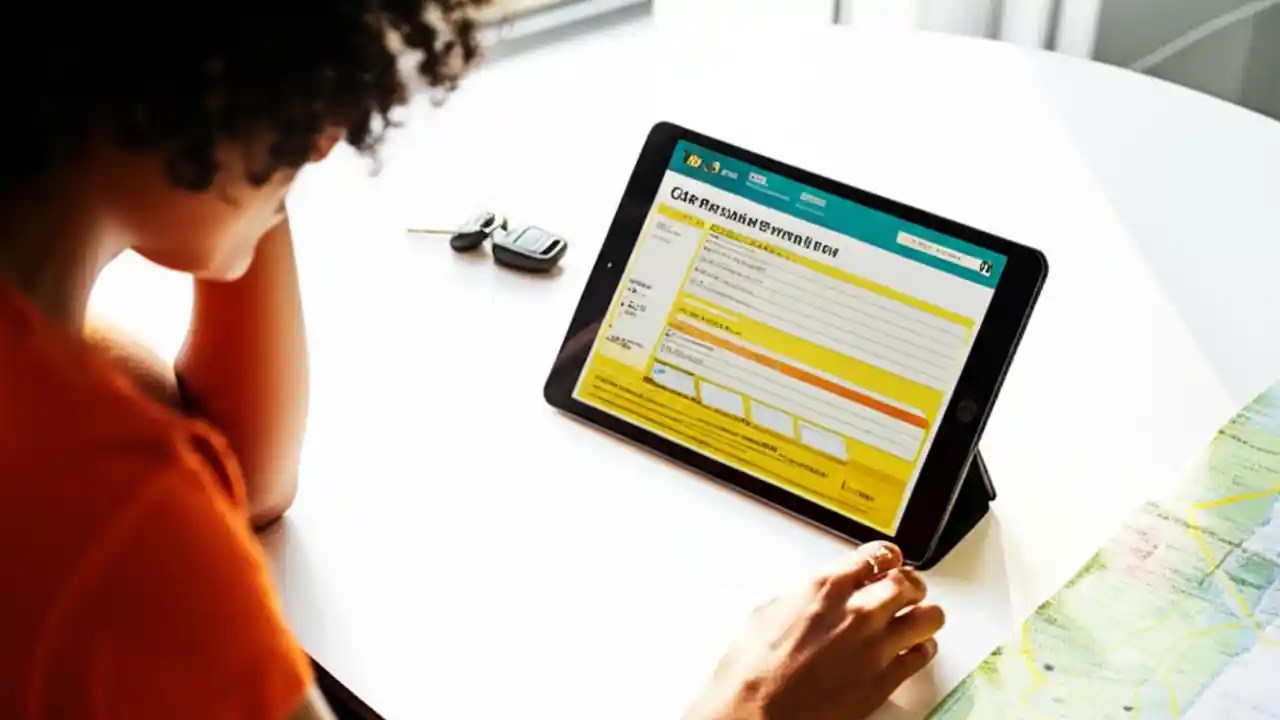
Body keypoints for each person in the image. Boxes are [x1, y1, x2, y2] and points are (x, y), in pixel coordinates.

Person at [0, 2, 944, 718]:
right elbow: (164, 515)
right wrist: (749, 710)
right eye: (306, 83)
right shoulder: (115, 515)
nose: (328, 139)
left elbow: (239, 475)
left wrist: (243, 170)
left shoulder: (54, 368)